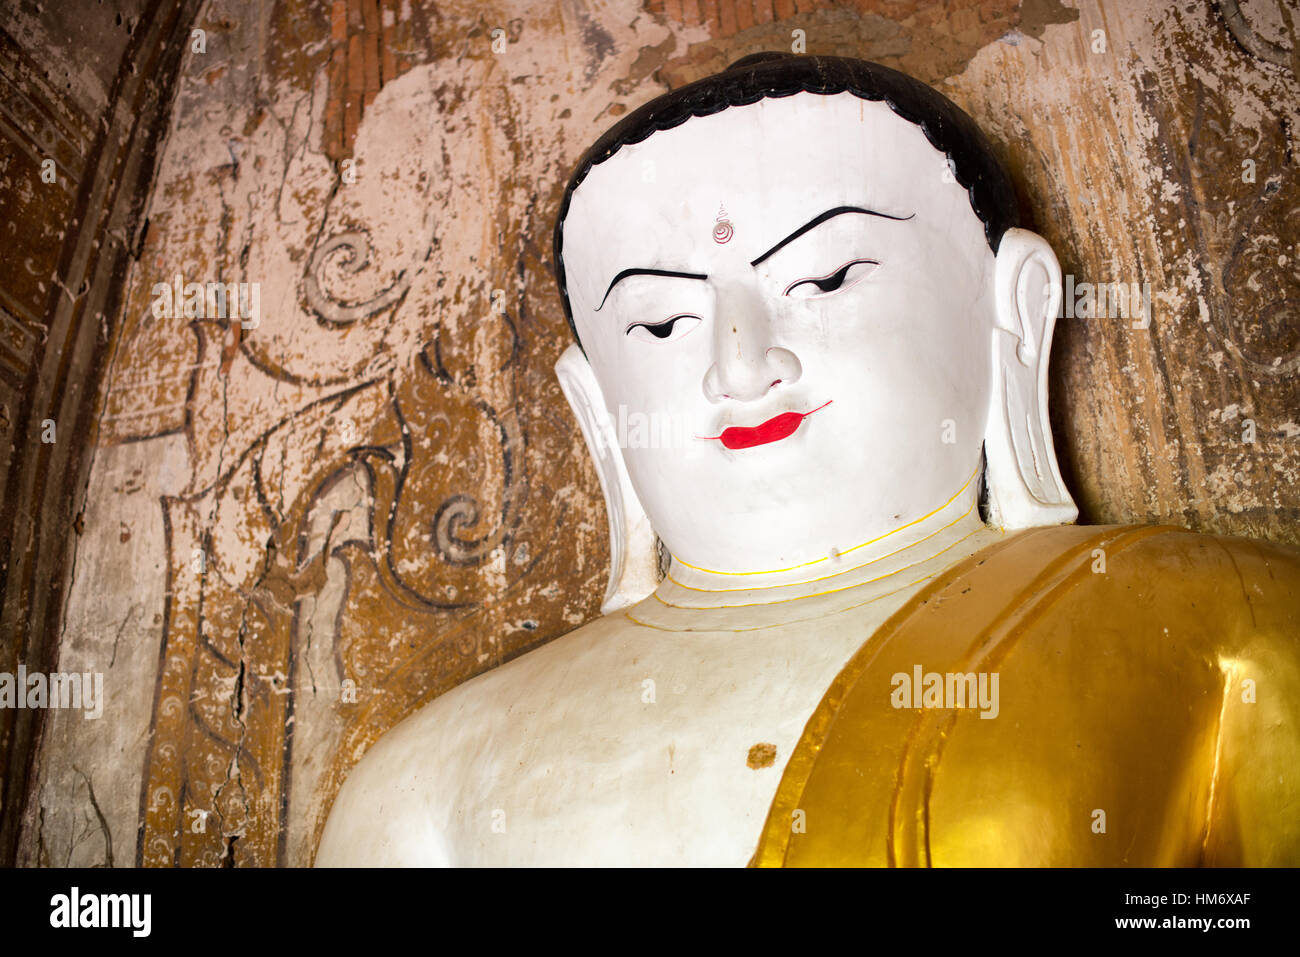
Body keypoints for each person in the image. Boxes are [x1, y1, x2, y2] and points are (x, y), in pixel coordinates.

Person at [316, 54, 1300, 867]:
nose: (740, 366)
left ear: (1011, 315)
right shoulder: (433, 783)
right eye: (660, 322)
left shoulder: (1212, 629)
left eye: (824, 276)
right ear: (601, 414)